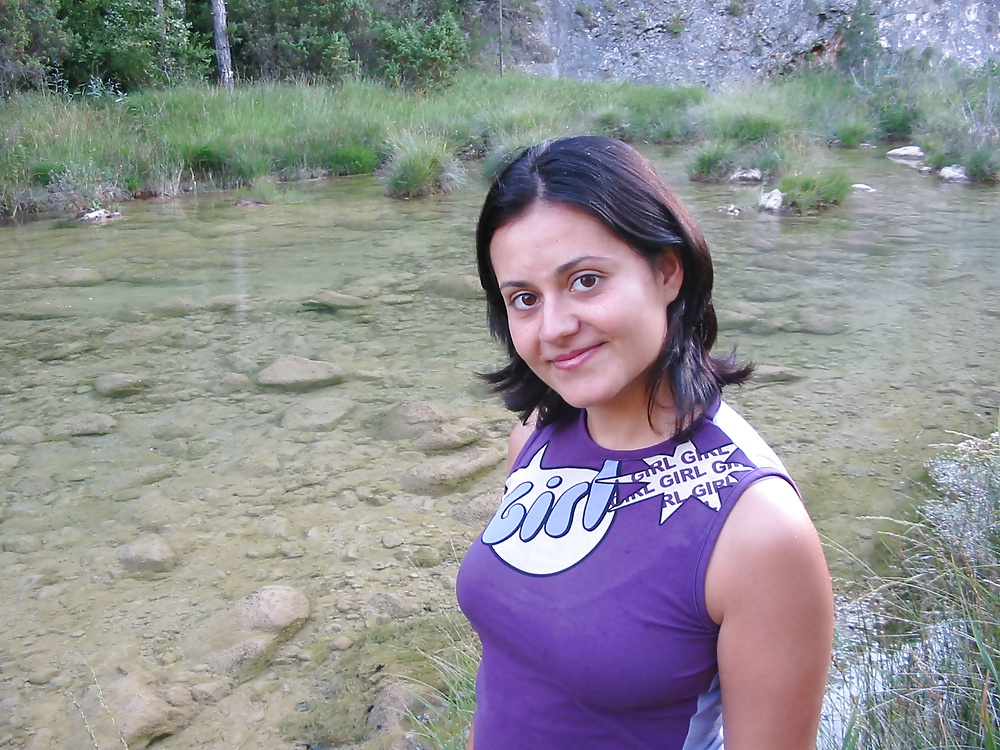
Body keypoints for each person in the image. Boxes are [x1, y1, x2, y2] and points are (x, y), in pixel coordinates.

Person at [455, 135, 833, 750]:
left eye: (585, 281)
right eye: (524, 299)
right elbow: (512, 677)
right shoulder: (532, 440)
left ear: (666, 271)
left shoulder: (758, 528)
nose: (554, 327)